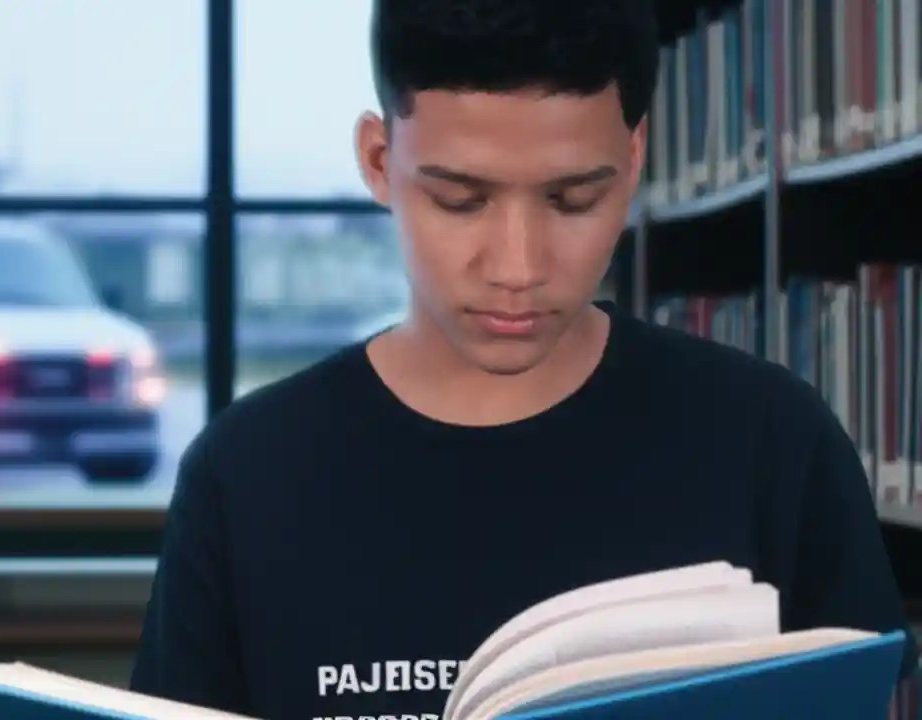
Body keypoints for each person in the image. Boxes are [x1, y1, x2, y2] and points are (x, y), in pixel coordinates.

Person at [130, 1, 919, 718]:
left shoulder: (774, 445)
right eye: (460, 200)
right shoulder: (248, 473)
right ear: (378, 160)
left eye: (573, 200)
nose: (517, 266)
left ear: (636, 156)